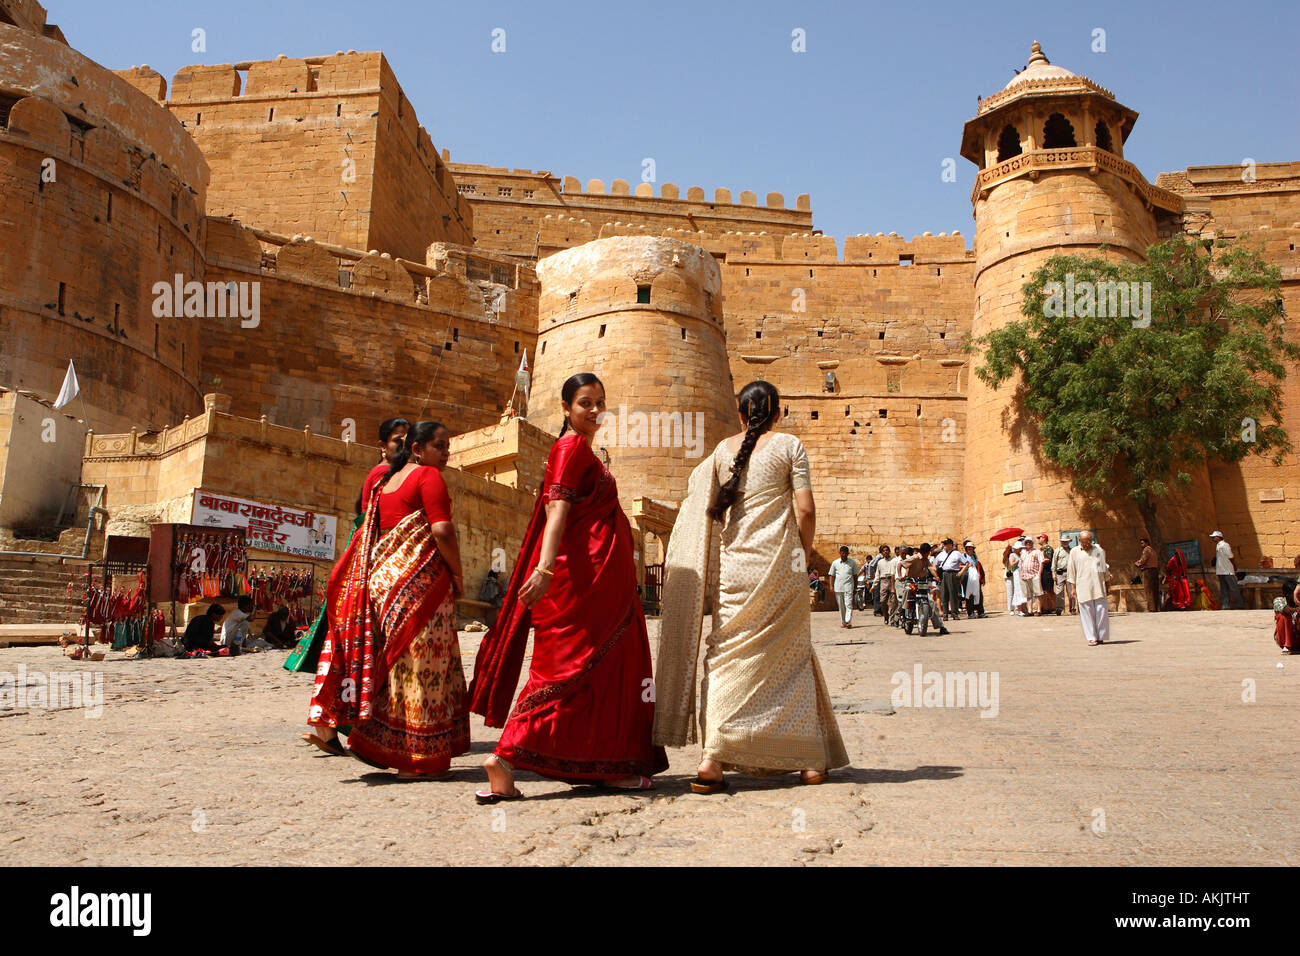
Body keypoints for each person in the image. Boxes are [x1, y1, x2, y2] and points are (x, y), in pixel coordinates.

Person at [470, 374, 667, 802]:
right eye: (584, 403)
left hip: (601, 585)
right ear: (565, 408)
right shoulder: (571, 447)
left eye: (600, 402)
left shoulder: (582, 451)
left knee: (599, 672)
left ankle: (602, 764)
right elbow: (555, 508)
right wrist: (544, 569)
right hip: (583, 586)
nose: (595, 411)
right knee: (569, 670)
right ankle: (507, 755)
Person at [655, 379, 848, 794]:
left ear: (741, 414)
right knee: (789, 659)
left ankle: (712, 758)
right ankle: (808, 761)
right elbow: (806, 510)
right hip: (779, 569)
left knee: (725, 658)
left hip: (734, 571)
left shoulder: (721, 452)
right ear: (777, 413)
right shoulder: (790, 446)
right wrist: (802, 555)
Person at [307, 419, 470, 779]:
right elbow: (442, 530)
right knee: (424, 669)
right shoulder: (427, 476)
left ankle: (380, 744)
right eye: (439, 446)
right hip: (420, 586)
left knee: (397, 668)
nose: (446, 453)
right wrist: (457, 575)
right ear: (417, 449)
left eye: (448, 446)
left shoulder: (384, 482)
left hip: (384, 582)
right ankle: (415, 760)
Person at [288, 415, 411, 677]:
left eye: (409, 442)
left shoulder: (394, 471)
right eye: (398, 442)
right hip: (375, 545)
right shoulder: (384, 472)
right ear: (382, 446)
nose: (405, 448)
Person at [1067, 531, 1111, 645]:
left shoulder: (1099, 551)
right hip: (1083, 586)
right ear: (1079, 541)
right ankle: (1092, 637)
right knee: (1087, 613)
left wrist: (1107, 584)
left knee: (1101, 611)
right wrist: (1072, 588)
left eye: (1089, 541)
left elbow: (1104, 569)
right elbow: (1071, 571)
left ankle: (1101, 636)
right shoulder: (1074, 552)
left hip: (1098, 586)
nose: (1087, 544)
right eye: (1084, 542)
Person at [1211, 531, 1244, 610]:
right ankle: (1225, 605)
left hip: (1227, 571)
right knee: (1224, 589)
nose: (1213, 538)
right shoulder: (1218, 545)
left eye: (1214, 537)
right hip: (1221, 571)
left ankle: (1240, 604)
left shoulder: (1225, 545)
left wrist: (1234, 566)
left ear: (1218, 537)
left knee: (1234, 588)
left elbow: (1230, 556)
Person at [936, 538, 968, 621]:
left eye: (946, 544)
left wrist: (961, 572)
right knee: (944, 594)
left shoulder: (956, 553)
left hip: (953, 574)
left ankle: (954, 613)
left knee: (953, 594)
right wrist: (936, 575)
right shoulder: (941, 554)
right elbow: (934, 564)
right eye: (944, 544)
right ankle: (945, 614)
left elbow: (966, 563)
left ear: (950, 545)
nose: (944, 546)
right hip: (943, 574)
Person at [829, 546, 858, 628]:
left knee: (848, 604)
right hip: (838, 587)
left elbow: (855, 575)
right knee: (841, 606)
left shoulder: (852, 563)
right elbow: (831, 575)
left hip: (849, 587)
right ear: (840, 553)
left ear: (848, 553)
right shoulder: (835, 563)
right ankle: (843, 622)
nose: (844, 554)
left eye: (845, 553)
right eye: (842, 553)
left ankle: (848, 621)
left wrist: (855, 587)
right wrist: (831, 586)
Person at [875, 545, 899, 624]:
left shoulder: (894, 560)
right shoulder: (880, 562)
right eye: (884, 551)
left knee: (893, 602)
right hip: (883, 581)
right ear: (881, 553)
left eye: (887, 550)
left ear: (889, 551)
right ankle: (886, 616)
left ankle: (892, 619)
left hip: (892, 580)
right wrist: (874, 585)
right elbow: (877, 574)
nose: (885, 552)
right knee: (883, 601)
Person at [1135, 537, 1160, 612]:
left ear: (1146, 543)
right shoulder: (1152, 550)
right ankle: (1156, 607)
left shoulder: (1146, 550)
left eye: (1142, 543)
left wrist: (1137, 563)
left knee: (1149, 589)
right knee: (1154, 589)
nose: (1141, 545)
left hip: (1148, 571)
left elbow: (1143, 559)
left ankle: (1151, 608)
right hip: (1154, 570)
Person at [963, 542, 987, 618]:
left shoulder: (975, 556)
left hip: (975, 577)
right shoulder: (963, 556)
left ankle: (980, 612)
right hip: (967, 577)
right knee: (969, 595)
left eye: (971, 547)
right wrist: (967, 566)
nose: (970, 549)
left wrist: (979, 574)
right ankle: (970, 613)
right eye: (968, 547)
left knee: (978, 594)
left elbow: (977, 565)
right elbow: (959, 565)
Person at [1019, 537, 1043, 615]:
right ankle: (1030, 611)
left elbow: (1041, 562)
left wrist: (1039, 574)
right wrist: (1020, 574)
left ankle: (1039, 610)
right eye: (1026, 542)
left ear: (1032, 543)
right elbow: (1020, 564)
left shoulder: (1037, 552)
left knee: (1037, 594)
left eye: (1029, 542)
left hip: (1034, 575)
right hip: (1024, 576)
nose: (1028, 544)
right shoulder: (1023, 554)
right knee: (1028, 595)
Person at [1165, 545, 1192, 611]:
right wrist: (1173, 576)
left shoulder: (1181, 561)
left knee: (1186, 589)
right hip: (1175, 579)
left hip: (1180, 577)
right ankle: (1179, 604)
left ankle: (1186, 603)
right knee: (1179, 592)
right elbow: (1168, 569)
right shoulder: (1172, 560)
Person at [1053, 534, 1074, 615]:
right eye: (1063, 541)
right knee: (1059, 591)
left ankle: (1072, 608)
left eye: (1066, 541)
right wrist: (1053, 573)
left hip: (1069, 573)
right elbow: (1054, 562)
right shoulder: (1057, 551)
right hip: (1060, 573)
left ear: (1069, 542)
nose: (1065, 543)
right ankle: (1059, 609)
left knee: (1070, 591)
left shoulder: (1072, 551)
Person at [1036, 535, 1056, 614]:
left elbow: (1048, 559)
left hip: (1047, 571)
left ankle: (1054, 607)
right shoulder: (1041, 549)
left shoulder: (1048, 548)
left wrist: (1039, 560)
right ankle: (1045, 607)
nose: (1038, 540)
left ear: (1044, 539)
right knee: (1043, 590)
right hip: (1042, 571)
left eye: (1039, 538)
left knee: (1049, 590)